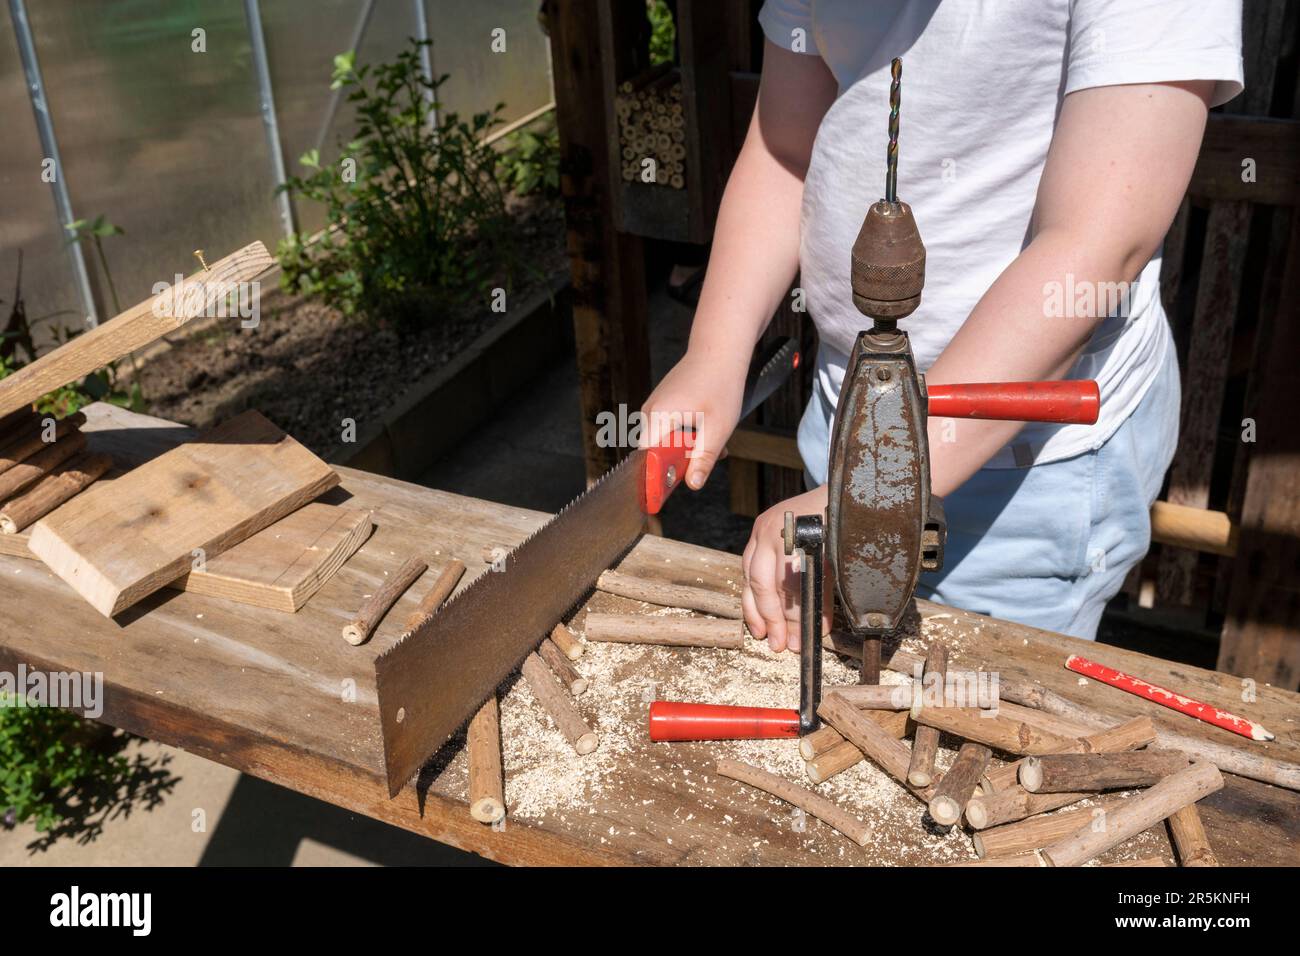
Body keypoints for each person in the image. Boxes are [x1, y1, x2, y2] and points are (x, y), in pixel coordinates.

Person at [640, 0, 1244, 648]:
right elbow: (787, 151)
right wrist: (716, 351)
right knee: (856, 675)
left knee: (982, 713)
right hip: (851, 420)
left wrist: (883, 487)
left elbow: (1097, 245)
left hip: (1024, 475)